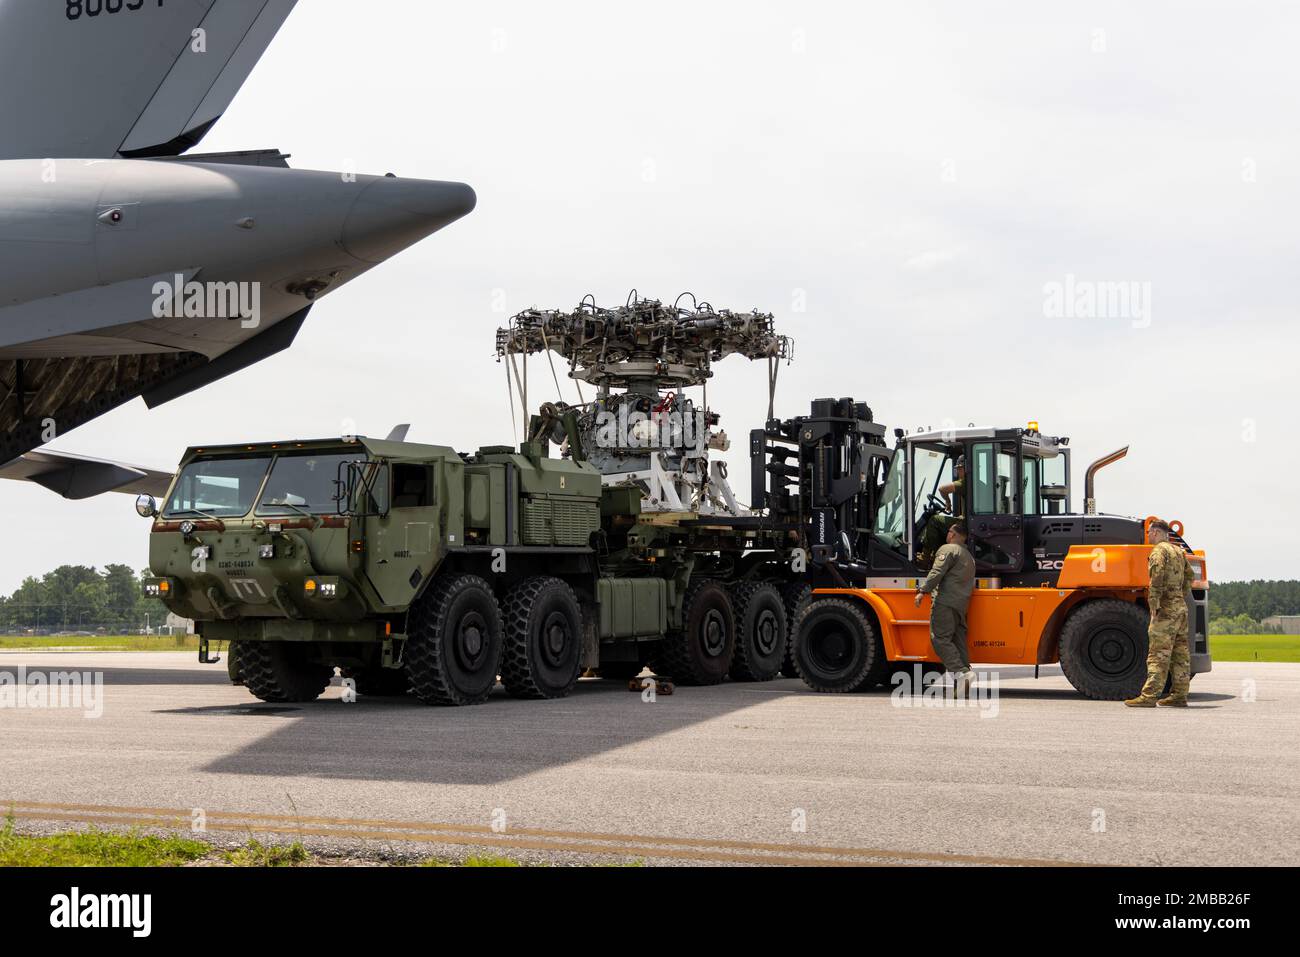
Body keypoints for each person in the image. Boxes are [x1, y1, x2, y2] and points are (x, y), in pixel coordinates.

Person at [1125, 519, 1196, 708]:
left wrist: (1154, 602)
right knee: (1180, 654)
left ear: (1156, 532)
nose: (1148, 536)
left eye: (1149, 533)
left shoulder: (1159, 551)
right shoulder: (1179, 551)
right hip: (1180, 608)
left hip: (1165, 609)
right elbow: (1190, 576)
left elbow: (1156, 577)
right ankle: (1179, 695)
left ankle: (1149, 696)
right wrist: (1179, 594)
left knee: (1158, 653)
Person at [915, 521, 977, 693]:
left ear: (954, 535)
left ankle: (960, 672)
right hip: (961, 604)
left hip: (945, 601)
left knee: (940, 638)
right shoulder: (968, 556)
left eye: (949, 531)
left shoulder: (948, 549)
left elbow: (936, 572)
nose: (947, 534)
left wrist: (922, 591)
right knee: (957, 641)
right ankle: (963, 680)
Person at [919, 455, 965, 565]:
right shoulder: (977, 482)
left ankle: (928, 557)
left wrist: (948, 502)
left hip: (964, 524)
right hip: (965, 521)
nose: (958, 472)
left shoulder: (965, 482)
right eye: (957, 469)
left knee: (934, 520)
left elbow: (942, 489)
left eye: (959, 469)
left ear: (965, 469)